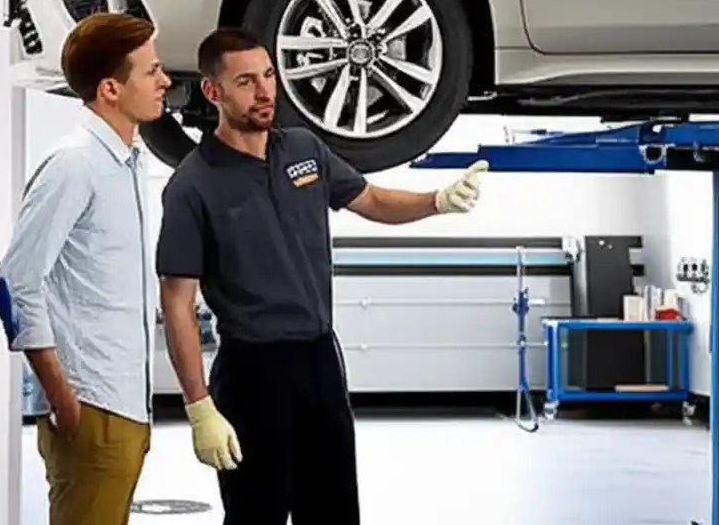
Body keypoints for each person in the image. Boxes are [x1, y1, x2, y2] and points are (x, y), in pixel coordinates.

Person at [155, 27, 488, 525]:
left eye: (268, 75)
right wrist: (199, 405)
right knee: (255, 514)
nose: (265, 91)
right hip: (252, 373)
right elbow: (176, 301)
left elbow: (370, 199)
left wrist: (437, 201)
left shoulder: (303, 150)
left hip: (319, 363)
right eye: (246, 81)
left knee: (333, 512)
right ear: (213, 91)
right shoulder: (192, 185)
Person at [0, 11, 171, 525]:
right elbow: (17, 281)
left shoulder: (128, 162)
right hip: (90, 407)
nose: (164, 81)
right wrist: (61, 396)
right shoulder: (74, 164)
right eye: (151, 71)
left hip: (125, 405)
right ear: (110, 90)